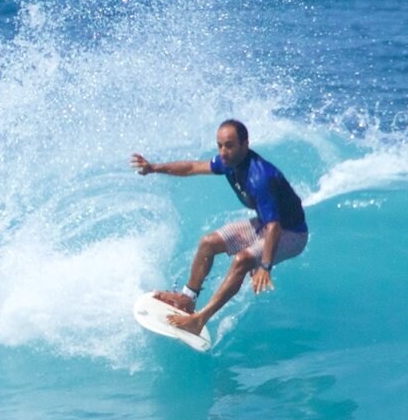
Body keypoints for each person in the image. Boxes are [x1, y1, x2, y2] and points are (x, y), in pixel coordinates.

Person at [130, 118, 309, 334]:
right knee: (208, 243)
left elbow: (274, 227)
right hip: (265, 224)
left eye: (230, 145)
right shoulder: (228, 163)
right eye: (220, 145)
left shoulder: (260, 176)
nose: (223, 152)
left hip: (291, 234)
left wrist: (265, 265)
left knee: (242, 260)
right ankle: (188, 299)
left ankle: (199, 320)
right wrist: (153, 168)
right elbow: (191, 167)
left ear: (245, 144)